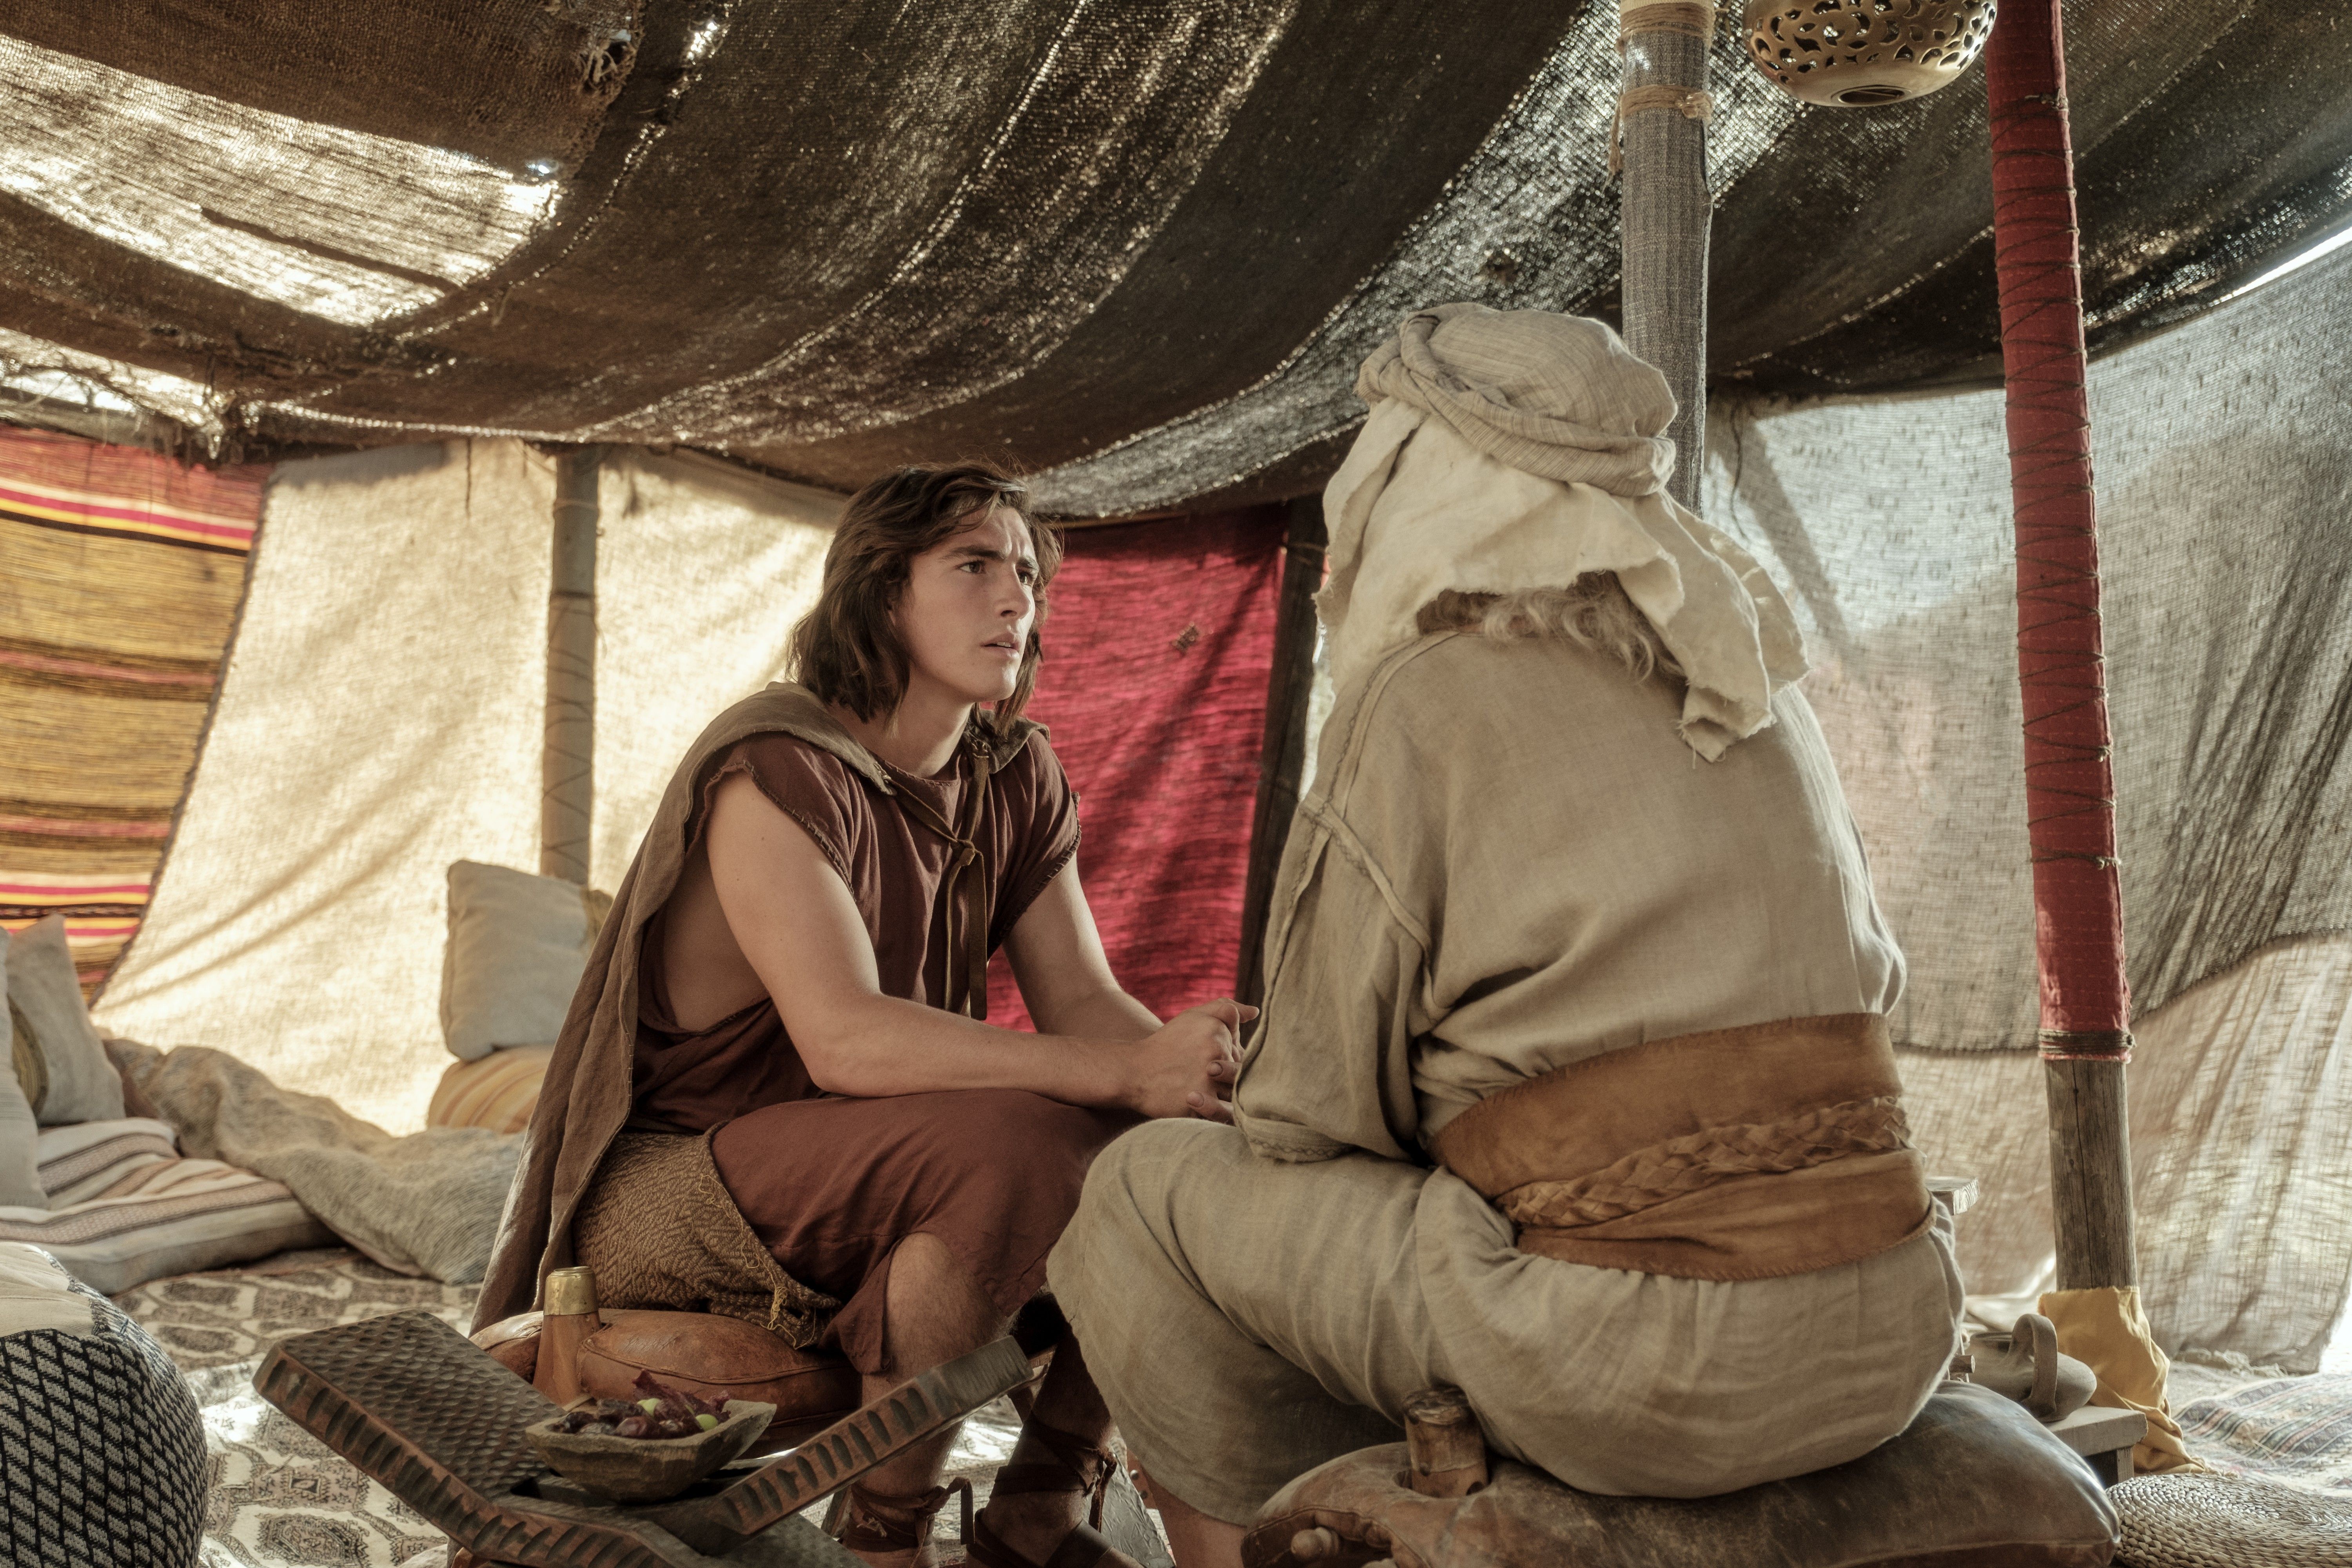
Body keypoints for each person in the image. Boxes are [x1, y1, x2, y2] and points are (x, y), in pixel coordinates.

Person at [1047, 305, 1966, 1566]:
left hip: (1638, 1367)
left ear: (1421, 480)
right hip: (1892, 1326)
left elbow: (1314, 1114)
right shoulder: (1753, 670)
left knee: (1145, 1193)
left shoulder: (1422, 697)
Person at [477, 462, 1249, 1568]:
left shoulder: (1013, 777)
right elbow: (841, 1038)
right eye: (974, 565)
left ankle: (1041, 1501)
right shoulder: (776, 771)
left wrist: (1198, 1083)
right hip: (677, 1179)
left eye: (1026, 572)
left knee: (1171, 1154)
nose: (1015, 597)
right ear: (882, 593)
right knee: (1028, 1137)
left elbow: (1080, 998)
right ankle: (884, 1541)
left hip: (886, 1156)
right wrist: (1118, 1077)